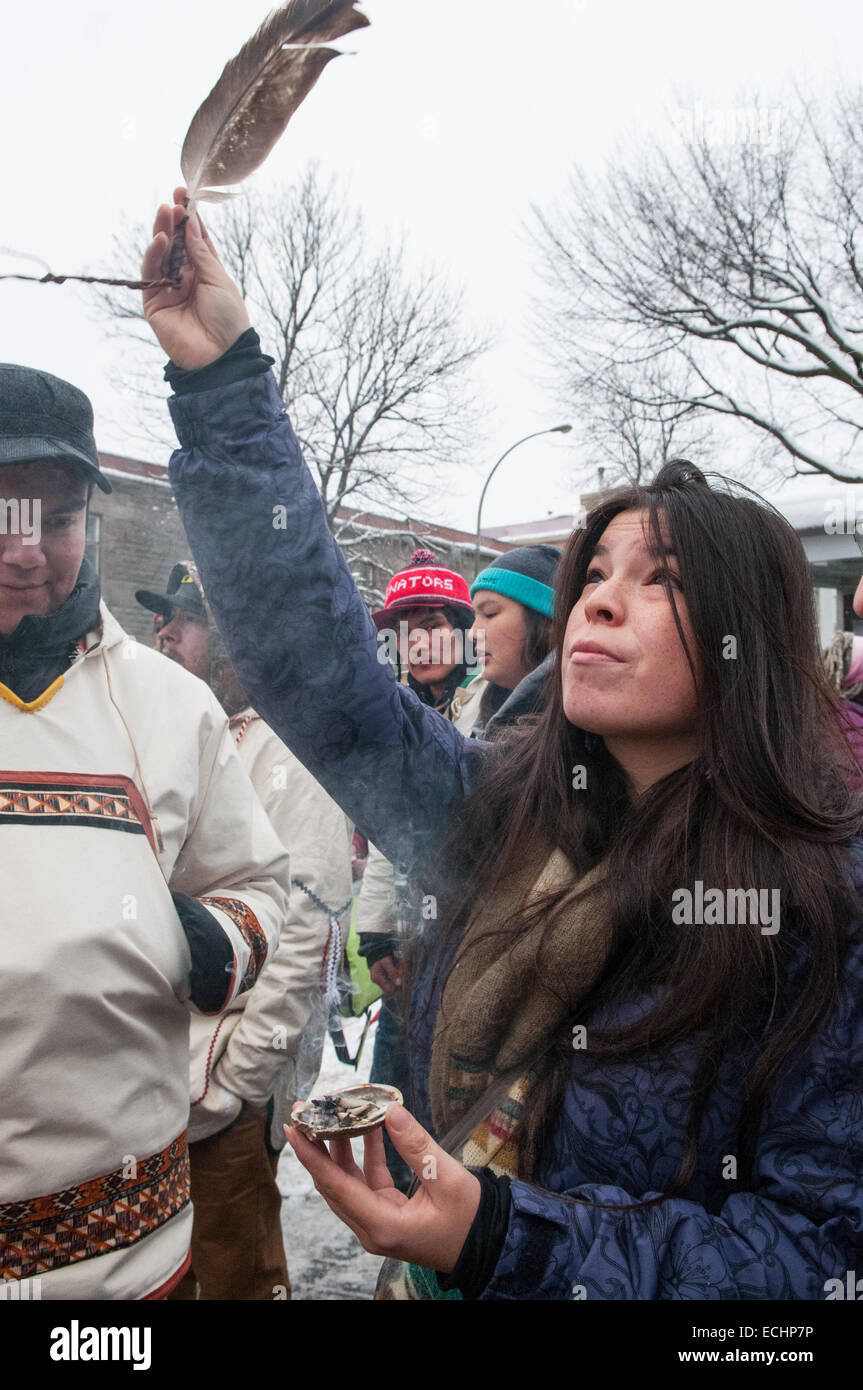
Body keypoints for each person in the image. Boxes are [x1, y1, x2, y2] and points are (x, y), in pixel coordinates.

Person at [141, 196, 863, 1301]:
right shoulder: (492, 811)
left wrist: (500, 1239)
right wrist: (225, 383)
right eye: (597, 574)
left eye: (659, 581)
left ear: (745, 643)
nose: (599, 606)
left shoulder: (820, 904)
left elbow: (817, 1260)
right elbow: (321, 678)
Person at [0, 363, 288, 1299]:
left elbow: (262, 885)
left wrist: (205, 940)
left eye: (58, 516)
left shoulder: (173, 706)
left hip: (122, 1264)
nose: (25, 548)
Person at [135, 562, 353, 1299]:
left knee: (239, 1279)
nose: (163, 633)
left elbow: (308, 926)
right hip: (154, 1083)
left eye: (185, 621)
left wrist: (238, 1084)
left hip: (219, 1092)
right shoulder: (185, 731)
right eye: (160, 619)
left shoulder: (290, 747)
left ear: (236, 641)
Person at [358, 548, 482, 1186]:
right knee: (396, 1094)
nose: (420, 641)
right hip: (414, 946)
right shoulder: (402, 719)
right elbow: (388, 837)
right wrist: (377, 931)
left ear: (463, 633)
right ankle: (401, 1206)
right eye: (405, 629)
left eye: (434, 624)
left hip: (474, 947)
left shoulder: (495, 710)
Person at [468, 544, 559, 737]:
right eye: (475, 616)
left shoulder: (574, 730)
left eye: (490, 614)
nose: (473, 633)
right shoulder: (488, 711)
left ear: (546, 622)